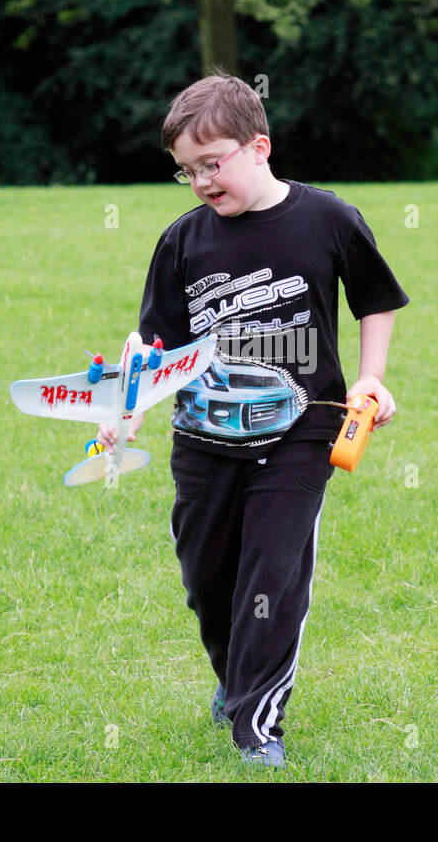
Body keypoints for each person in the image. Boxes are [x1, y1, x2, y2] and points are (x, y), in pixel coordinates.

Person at [96, 69, 409, 767]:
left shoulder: (326, 219)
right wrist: (130, 417)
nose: (203, 181)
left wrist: (371, 377)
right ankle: (235, 679)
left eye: (214, 163)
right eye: (187, 171)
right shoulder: (182, 243)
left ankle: (257, 723)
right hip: (204, 436)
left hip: (300, 432)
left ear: (258, 146)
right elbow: (155, 346)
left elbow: (375, 298)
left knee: (272, 575)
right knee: (208, 577)